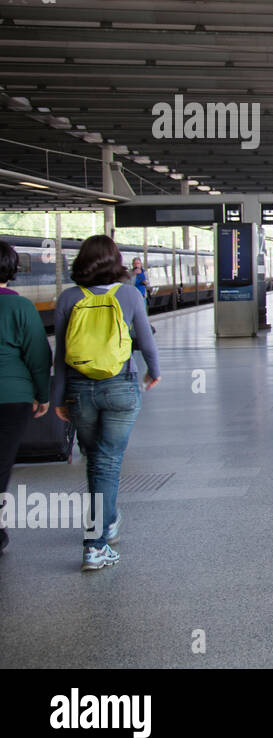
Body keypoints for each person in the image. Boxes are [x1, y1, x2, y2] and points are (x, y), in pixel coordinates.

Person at [51, 235, 161, 572]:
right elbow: (145, 341)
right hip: (120, 388)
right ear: (116, 262)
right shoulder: (128, 295)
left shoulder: (69, 298)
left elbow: (61, 354)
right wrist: (153, 373)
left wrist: (58, 398)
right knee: (107, 461)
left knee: (97, 459)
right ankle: (96, 544)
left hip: (80, 390)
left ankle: (107, 522)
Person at [0, 239, 52, 555]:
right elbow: (37, 355)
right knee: (2, 462)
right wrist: (43, 394)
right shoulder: (20, 307)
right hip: (12, 399)